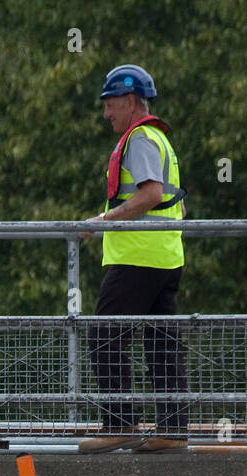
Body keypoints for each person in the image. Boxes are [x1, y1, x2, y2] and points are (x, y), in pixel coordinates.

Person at [79, 64, 189, 454]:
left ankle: (119, 424)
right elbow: (177, 204)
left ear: (128, 102)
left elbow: (151, 195)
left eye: (109, 105)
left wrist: (101, 221)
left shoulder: (140, 139)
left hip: (138, 257)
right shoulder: (161, 140)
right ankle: (173, 429)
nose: (106, 114)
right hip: (165, 257)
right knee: (162, 343)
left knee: (106, 335)